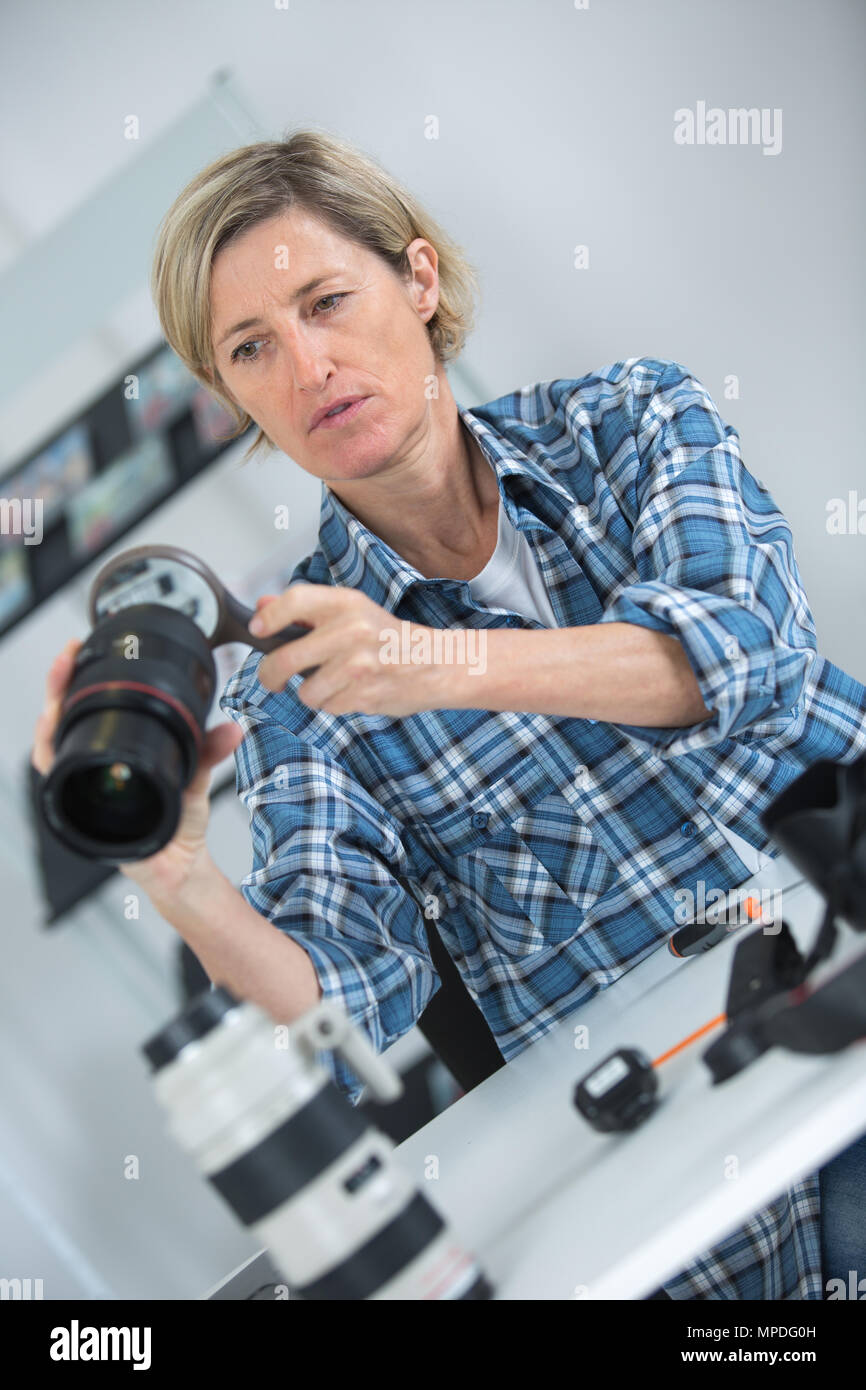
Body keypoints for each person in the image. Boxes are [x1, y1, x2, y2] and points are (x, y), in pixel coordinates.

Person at [31, 128, 866, 1301]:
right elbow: (331, 1012)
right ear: (233, 401)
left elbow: (739, 656)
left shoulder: (629, 422)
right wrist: (180, 881)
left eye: (326, 300)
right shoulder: (299, 676)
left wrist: (431, 659)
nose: (308, 365)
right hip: (694, 1199)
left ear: (416, 281)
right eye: (251, 351)